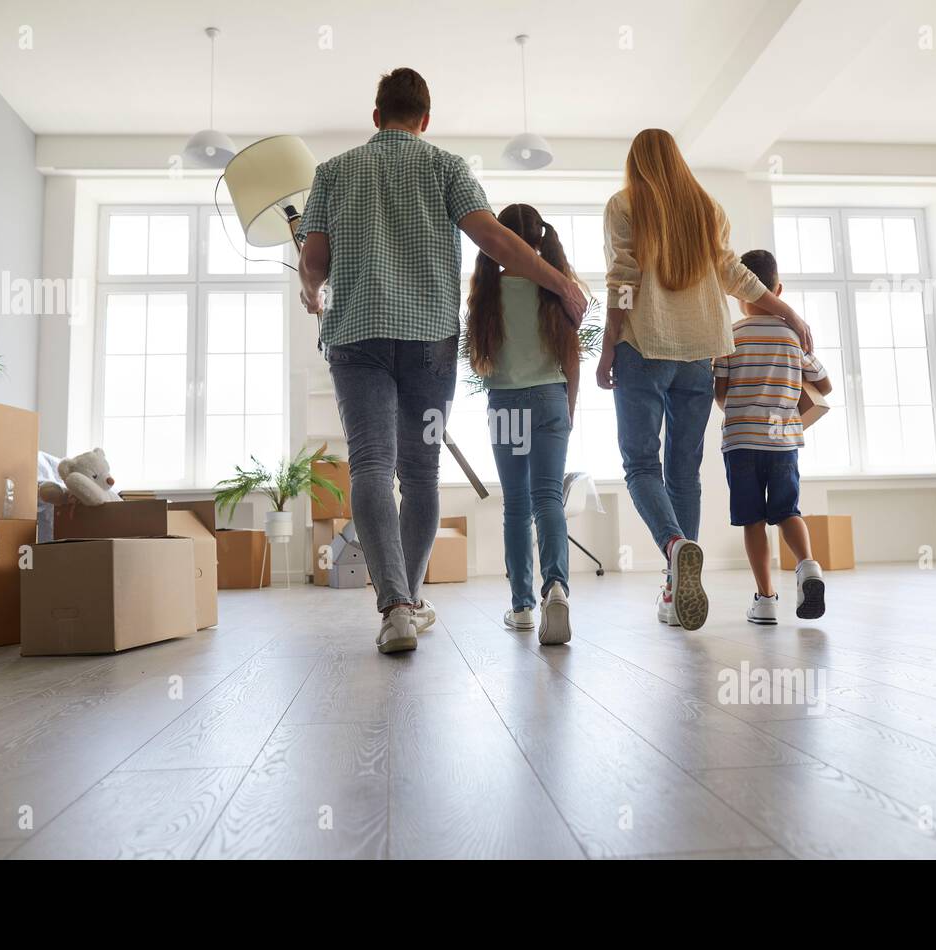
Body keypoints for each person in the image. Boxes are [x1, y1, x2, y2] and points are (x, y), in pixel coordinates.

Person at [298, 68, 587, 655]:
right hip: (428, 343)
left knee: (372, 465)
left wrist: (310, 290)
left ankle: (396, 607)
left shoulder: (332, 173)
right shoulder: (447, 167)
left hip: (356, 341)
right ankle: (411, 596)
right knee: (421, 473)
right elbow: (497, 241)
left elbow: (315, 260)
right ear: (425, 120)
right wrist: (561, 282)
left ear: (376, 116)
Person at [595, 128, 812, 631]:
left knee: (640, 465)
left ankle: (674, 549)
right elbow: (735, 273)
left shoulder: (624, 205)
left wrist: (609, 346)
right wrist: (788, 312)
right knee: (683, 472)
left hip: (642, 348)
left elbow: (622, 281)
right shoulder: (706, 207)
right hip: (698, 354)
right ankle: (675, 591)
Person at [464, 204, 582, 645]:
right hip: (552, 396)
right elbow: (571, 357)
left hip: (506, 404)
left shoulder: (487, 290)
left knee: (515, 504)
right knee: (548, 497)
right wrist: (567, 409)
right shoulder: (557, 287)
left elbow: (480, 361)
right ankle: (557, 588)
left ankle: (521, 607)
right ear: (538, 237)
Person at [714, 250, 831, 623]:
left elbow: (719, 391)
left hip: (741, 441)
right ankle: (808, 566)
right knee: (786, 511)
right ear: (777, 289)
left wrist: (740, 408)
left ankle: (765, 600)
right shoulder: (793, 335)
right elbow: (824, 385)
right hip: (783, 440)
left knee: (752, 520)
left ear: (738, 294)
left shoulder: (729, 336)